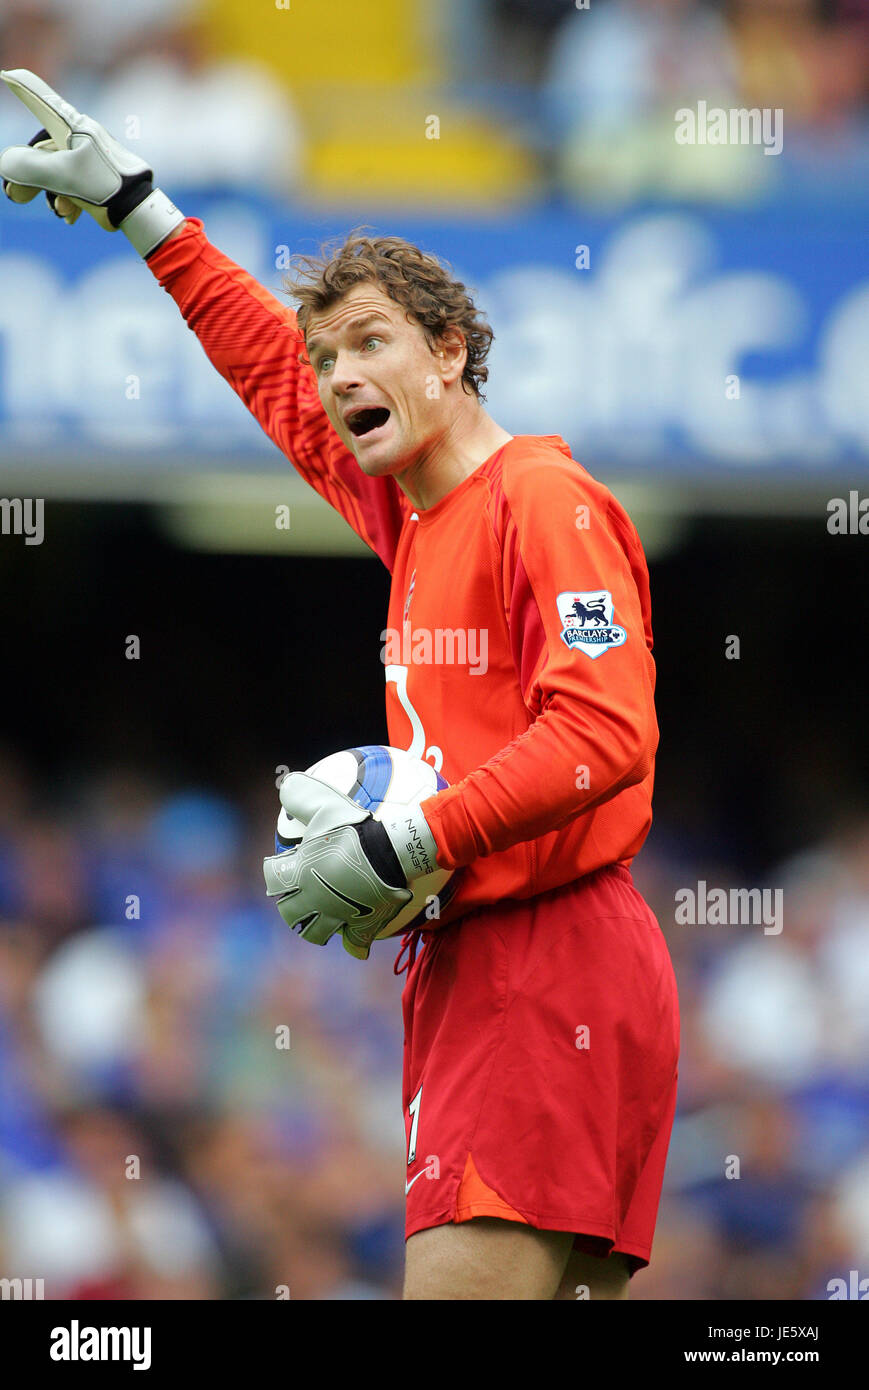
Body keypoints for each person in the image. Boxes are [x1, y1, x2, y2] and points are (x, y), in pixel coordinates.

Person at [0, 68, 680, 1301]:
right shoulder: (417, 512)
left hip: (541, 960)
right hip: (513, 959)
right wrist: (143, 211)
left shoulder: (538, 499)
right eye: (330, 356)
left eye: (369, 342)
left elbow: (603, 728)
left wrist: (411, 836)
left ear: (452, 351)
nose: (334, 374)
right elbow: (269, 371)